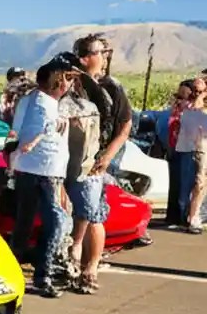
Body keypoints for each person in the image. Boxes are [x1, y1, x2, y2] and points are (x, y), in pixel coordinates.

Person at [67, 33, 133, 277]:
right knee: (76, 211)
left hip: (97, 159)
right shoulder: (70, 84)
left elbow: (125, 125)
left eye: (105, 54)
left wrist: (108, 156)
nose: (104, 58)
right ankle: (73, 255)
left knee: (92, 211)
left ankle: (90, 268)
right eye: (100, 53)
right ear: (85, 58)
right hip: (70, 158)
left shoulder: (111, 87)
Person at [10, 60, 72, 297]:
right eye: (66, 78)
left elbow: (15, 131)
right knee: (55, 220)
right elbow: (36, 131)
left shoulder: (29, 101)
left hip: (30, 168)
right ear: (56, 80)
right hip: (46, 171)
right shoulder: (45, 105)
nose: (68, 83)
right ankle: (42, 273)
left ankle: (19, 266)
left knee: (25, 220)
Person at [56, 54, 103, 292]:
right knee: (63, 221)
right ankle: (68, 265)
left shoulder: (91, 103)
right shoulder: (49, 102)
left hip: (84, 170)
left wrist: (100, 161)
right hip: (58, 172)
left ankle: (88, 268)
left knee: (88, 216)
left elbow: (98, 137)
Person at [174, 81, 207, 234]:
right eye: (194, 91)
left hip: (201, 148)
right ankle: (192, 216)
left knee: (201, 182)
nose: (196, 93)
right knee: (197, 182)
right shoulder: (190, 108)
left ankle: (194, 215)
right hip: (195, 148)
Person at [166, 79, 196, 226]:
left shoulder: (193, 107)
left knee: (185, 182)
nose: (181, 97)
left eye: (185, 93)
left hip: (187, 148)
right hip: (175, 146)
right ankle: (173, 215)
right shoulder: (176, 107)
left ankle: (184, 215)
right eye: (180, 94)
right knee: (175, 182)